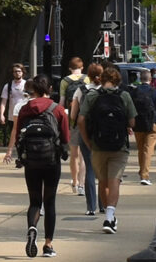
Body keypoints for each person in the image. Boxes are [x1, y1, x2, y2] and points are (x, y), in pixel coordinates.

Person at [7, 73, 70, 258]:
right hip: (51, 160)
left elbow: (19, 136)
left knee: (34, 201)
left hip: (31, 161)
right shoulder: (57, 109)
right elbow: (65, 137)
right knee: (49, 202)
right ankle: (48, 244)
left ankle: (32, 227)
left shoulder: (25, 109)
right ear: (50, 89)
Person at [83, 65, 136, 234]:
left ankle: (109, 216)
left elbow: (80, 119)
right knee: (115, 181)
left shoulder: (92, 95)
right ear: (118, 81)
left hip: (97, 145)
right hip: (119, 145)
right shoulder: (124, 96)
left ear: (101, 79)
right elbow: (132, 121)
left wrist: (87, 141)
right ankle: (110, 217)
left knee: (102, 182)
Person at [67, 61, 104, 217]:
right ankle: (104, 204)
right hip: (103, 134)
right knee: (102, 169)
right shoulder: (106, 90)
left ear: (88, 75)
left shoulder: (80, 90)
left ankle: (91, 207)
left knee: (89, 167)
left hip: (85, 132)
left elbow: (73, 115)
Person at [130, 69, 156, 186]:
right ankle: (144, 175)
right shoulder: (155, 92)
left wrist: (129, 124)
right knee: (148, 149)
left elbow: (129, 109)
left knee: (141, 149)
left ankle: (142, 171)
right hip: (152, 124)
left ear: (140, 79)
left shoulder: (134, 92)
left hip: (138, 124)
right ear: (150, 79)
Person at [58, 56, 87, 196]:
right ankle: (82, 184)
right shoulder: (87, 79)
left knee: (74, 154)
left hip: (72, 120)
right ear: (82, 67)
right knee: (83, 155)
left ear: (70, 68)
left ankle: (74, 182)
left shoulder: (65, 81)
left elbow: (61, 102)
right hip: (85, 120)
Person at [0, 63, 29, 146]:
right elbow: (3, 101)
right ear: (12, 73)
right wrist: (1, 115)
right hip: (12, 116)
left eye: (19, 71)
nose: (17, 73)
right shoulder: (8, 86)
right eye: (15, 71)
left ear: (23, 72)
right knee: (14, 136)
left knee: (24, 136)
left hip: (25, 115)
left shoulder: (27, 85)